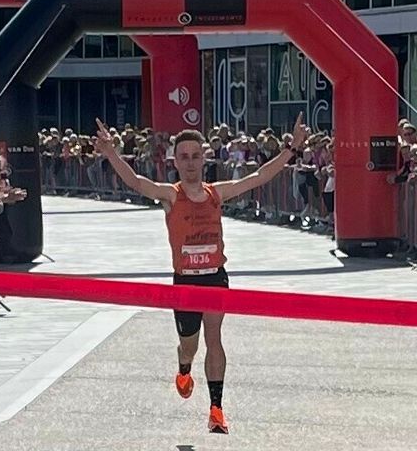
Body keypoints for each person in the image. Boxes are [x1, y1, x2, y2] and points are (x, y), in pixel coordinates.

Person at [94, 113, 309, 435]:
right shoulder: (170, 195)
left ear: (204, 159)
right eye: (184, 157)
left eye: (196, 156)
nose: (191, 163)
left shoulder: (216, 193)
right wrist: (111, 152)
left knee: (214, 338)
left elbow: (259, 177)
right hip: (185, 281)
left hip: (215, 276)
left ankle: (216, 410)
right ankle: (184, 366)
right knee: (189, 345)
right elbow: (137, 182)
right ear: (175, 162)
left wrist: (291, 149)